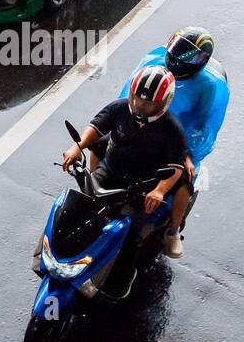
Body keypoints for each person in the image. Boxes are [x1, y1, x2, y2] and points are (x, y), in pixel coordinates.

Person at [110, 27, 229, 258]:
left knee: (184, 178)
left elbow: (205, 128)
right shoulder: (151, 63)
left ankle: (173, 231)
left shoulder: (210, 88)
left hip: (175, 142)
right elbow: (126, 98)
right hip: (139, 127)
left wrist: (187, 154)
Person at [61, 65, 188, 268]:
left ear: (163, 103)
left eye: (148, 104)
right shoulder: (119, 108)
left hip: (143, 185)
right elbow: (96, 127)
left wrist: (159, 191)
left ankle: (124, 274)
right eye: (138, 99)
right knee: (82, 206)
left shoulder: (172, 129)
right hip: (112, 170)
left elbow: (176, 166)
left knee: (132, 232)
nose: (140, 106)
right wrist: (77, 147)